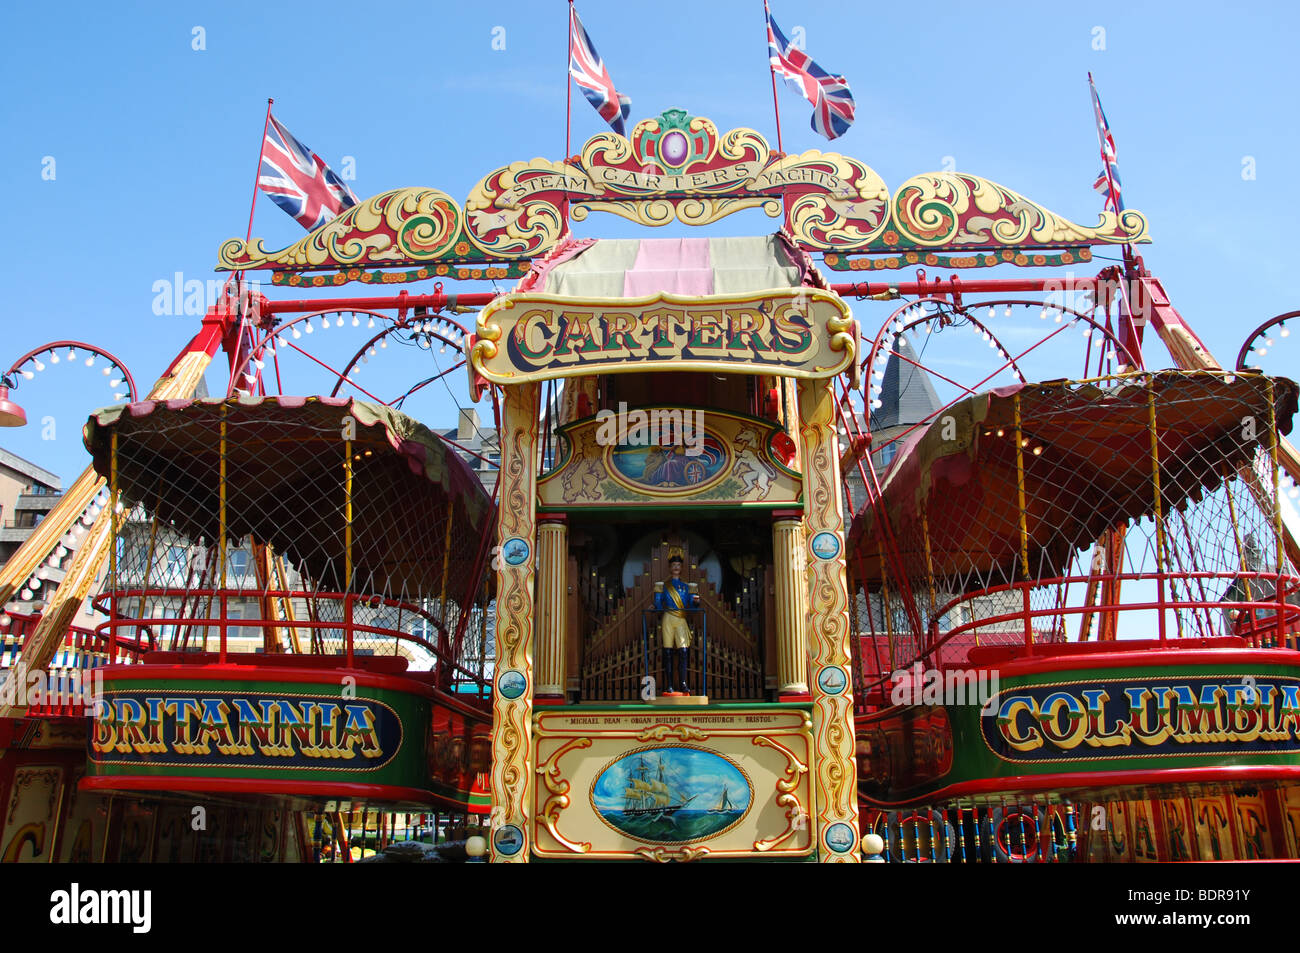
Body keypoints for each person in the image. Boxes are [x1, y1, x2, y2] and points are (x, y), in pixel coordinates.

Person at [654, 554, 698, 693]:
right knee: (667, 652)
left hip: (680, 619)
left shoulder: (687, 587)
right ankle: (669, 685)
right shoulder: (664, 586)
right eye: (673, 565)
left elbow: (691, 607)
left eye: (678, 565)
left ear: (682, 567)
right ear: (669, 567)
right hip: (668, 618)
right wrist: (656, 597)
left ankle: (683, 683)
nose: (676, 567)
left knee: (683, 651)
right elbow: (659, 605)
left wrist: (696, 602)